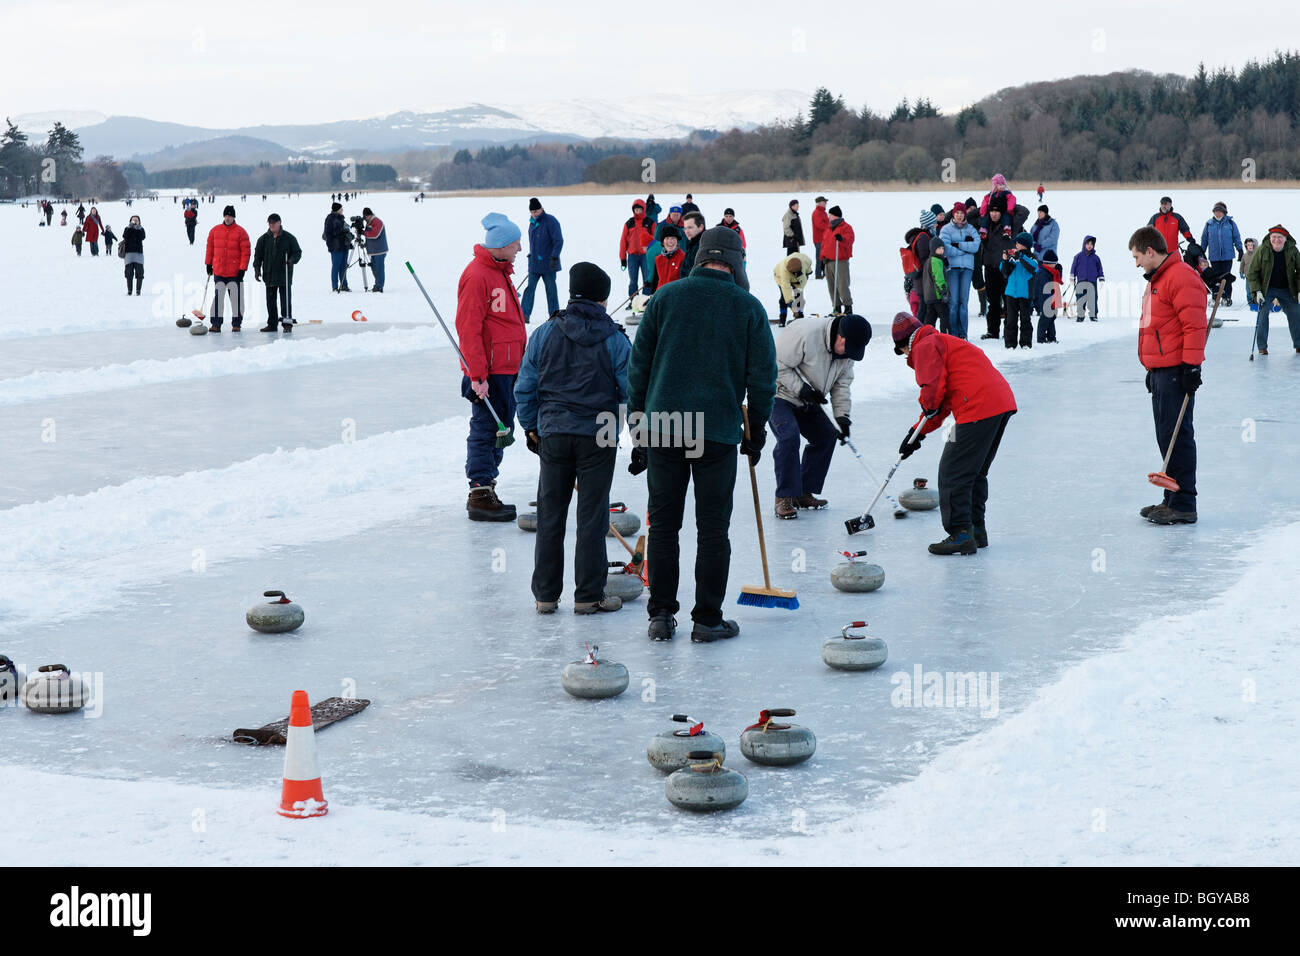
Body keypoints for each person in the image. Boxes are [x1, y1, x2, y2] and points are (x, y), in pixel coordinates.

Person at [627, 226, 776, 644]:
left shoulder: (665, 297)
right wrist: (757, 431)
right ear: (735, 263)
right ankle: (707, 620)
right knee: (713, 529)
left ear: (698, 257)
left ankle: (660, 617)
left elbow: (638, 368)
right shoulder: (749, 307)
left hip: (663, 428)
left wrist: (638, 427)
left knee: (664, 527)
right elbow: (763, 379)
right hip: (716, 433)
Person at [514, 263, 630, 615]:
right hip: (598, 436)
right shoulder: (615, 339)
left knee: (550, 514)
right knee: (592, 516)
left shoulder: (545, 332)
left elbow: (526, 384)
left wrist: (530, 425)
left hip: (553, 433)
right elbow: (631, 390)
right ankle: (588, 596)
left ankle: (545, 597)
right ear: (603, 298)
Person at [891, 313, 1017, 554]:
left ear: (905, 344)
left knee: (952, 472)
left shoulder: (925, 346)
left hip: (978, 406)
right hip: (999, 404)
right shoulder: (943, 342)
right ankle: (976, 529)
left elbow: (933, 393)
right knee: (975, 472)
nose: (906, 357)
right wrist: (916, 434)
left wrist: (926, 411)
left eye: (902, 352)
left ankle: (960, 532)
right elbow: (941, 404)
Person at [1128, 225, 1207, 524]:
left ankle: (1185, 502)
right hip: (1162, 370)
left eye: (1137, 256)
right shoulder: (1158, 279)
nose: (1136, 263)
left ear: (1150, 251)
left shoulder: (1181, 276)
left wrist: (1192, 366)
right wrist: (1152, 367)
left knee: (1179, 436)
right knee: (1166, 436)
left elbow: (1194, 326)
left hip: (1177, 371)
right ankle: (1171, 497)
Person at [456, 213, 526, 521]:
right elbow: (469, 329)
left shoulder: (500, 272)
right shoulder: (478, 275)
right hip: (489, 373)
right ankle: (479, 493)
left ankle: (488, 486)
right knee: (487, 429)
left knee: (502, 429)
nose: (520, 249)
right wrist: (477, 375)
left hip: (507, 368)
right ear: (500, 245)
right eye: (515, 244)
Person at [770, 313, 871, 519]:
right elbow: (775, 365)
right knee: (789, 437)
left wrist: (842, 417)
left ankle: (803, 492)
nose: (849, 355)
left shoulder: (847, 353)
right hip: (778, 394)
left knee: (826, 436)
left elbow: (842, 385)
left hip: (808, 399)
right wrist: (801, 389)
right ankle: (785, 497)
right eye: (849, 349)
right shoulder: (805, 334)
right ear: (840, 337)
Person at [1244, 224, 1300, 355]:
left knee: (1296, 314)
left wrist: (1299, 290)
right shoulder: (1262, 249)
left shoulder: (1292, 250)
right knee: (1262, 316)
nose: (1276, 240)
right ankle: (1262, 347)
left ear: (1285, 239)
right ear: (1270, 238)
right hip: (1266, 289)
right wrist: (1257, 291)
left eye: (1280, 237)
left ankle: (1299, 344)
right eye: (1274, 237)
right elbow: (1252, 273)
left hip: (1287, 289)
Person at [204, 205, 251, 332]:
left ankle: (236, 324)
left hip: (234, 272)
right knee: (218, 298)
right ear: (223, 216)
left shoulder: (241, 232)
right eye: (226, 215)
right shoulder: (215, 231)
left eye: (230, 215)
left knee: (236, 299)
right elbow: (210, 249)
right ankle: (216, 324)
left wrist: (242, 269)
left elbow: (245, 252)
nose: (228, 218)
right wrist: (208, 264)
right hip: (219, 270)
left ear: (234, 217)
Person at [253, 213, 302, 332]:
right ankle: (272, 324)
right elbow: (258, 256)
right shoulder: (263, 239)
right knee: (270, 302)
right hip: (269, 274)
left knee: (285, 301)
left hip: (284, 275)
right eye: (270, 223)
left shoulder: (289, 238)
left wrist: (291, 260)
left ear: (279, 223)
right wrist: (257, 269)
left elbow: (297, 252)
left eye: (274, 223)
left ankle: (287, 324)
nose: (272, 225)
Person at [939, 201, 980, 339]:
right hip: (952, 268)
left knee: (964, 301)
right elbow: (946, 248)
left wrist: (958, 245)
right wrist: (964, 250)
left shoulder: (971, 229)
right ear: (953, 214)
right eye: (957, 213)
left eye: (962, 213)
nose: (959, 216)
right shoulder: (946, 229)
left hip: (967, 269)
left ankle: (963, 333)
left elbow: (976, 246)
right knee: (954, 301)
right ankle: (954, 334)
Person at [522, 197, 562, 321]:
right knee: (530, 289)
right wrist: (531, 254)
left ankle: (554, 315)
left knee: (551, 290)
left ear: (541, 209)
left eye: (536, 211)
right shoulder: (532, 222)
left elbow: (558, 240)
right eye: (532, 212)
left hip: (549, 263)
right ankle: (524, 314)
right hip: (534, 263)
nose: (534, 214)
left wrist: (554, 256)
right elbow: (534, 242)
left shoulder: (551, 221)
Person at [1199, 202, 1243, 305]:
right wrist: (1202, 251)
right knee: (1215, 278)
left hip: (1227, 256)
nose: (1218, 214)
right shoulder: (1209, 224)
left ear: (1224, 213)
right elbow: (1204, 239)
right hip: (1214, 256)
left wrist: (1240, 249)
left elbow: (1236, 237)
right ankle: (1215, 297)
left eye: (1220, 212)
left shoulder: (1231, 223)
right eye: (1216, 212)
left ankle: (1227, 297)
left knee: (1226, 277)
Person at [979, 209, 1014, 339]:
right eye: (991, 211)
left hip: (1005, 267)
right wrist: (989, 201)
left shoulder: (1010, 224)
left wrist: (1005, 199)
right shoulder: (984, 225)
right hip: (989, 267)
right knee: (993, 302)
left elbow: (1024, 212)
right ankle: (992, 331)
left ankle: (1008, 331)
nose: (994, 214)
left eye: (997, 211)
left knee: (1008, 301)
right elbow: (971, 215)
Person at [1000, 231, 1038, 349]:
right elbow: (1005, 272)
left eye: (1018, 242)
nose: (1016, 244)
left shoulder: (1032, 257)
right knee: (1010, 319)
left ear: (1025, 244)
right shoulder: (1013, 256)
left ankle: (1025, 343)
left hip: (1025, 294)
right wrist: (1006, 260)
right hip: (1011, 293)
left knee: (1025, 319)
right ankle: (1010, 344)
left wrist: (1021, 256)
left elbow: (1033, 268)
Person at [619, 199, 656, 302]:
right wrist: (623, 258)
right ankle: (634, 301)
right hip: (632, 257)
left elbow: (655, 240)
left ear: (643, 209)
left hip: (646, 257)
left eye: (640, 209)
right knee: (633, 281)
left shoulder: (650, 223)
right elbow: (623, 241)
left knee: (647, 280)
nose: (638, 211)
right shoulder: (629, 223)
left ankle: (645, 301)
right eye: (636, 209)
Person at [820, 205, 854, 314]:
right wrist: (822, 258)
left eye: (830, 215)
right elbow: (824, 244)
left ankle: (848, 307)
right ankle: (836, 307)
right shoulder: (828, 228)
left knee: (842, 284)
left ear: (835, 216)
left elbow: (849, 240)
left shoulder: (845, 227)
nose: (828, 217)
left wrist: (842, 238)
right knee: (831, 286)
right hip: (828, 261)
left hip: (840, 261)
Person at [1069, 236, 1105, 321]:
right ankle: (1080, 315)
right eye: (1088, 244)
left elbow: (1100, 269)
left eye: (1091, 244)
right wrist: (1072, 278)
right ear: (1084, 244)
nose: (1089, 246)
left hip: (1092, 281)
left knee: (1093, 299)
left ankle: (1093, 315)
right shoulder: (1078, 256)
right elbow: (1073, 268)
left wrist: (1101, 279)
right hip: (1081, 281)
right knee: (1080, 298)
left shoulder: (1096, 258)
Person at [1031, 250, 1063, 343]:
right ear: (1049, 264)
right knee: (1045, 320)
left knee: (1051, 318)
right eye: (1054, 264)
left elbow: (1056, 282)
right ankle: (1041, 338)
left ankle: (1051, 337)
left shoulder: (1052, 272)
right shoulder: (1043, 273)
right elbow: (1042, 290)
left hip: (1051, 300)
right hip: (1045, 301)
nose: (1055, 265)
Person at [773, 251, 812, 326]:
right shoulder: (784, 272)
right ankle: (782, 318)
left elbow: (805, 276)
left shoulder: (805, 261)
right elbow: (786, 290)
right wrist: (792, 306)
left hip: (798, 278)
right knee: (784, 298)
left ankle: (800, 315)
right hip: (779, 276)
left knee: (799, 296)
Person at [322, 201, 352, 292]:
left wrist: (348, 236)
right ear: (337, 210)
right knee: (336, 266)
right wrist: (330, 246)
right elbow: (328, 233)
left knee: (343, 266)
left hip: (344, 246)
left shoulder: (341, 218)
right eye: (341, 209)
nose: (342, 210)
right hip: (336, 247)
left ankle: (344, 284)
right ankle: (335, 286)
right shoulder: (330, 219)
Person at [646, 225, 685, 293]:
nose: (670, 241)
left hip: (675, 295)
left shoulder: (683, 258)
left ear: (677, 241)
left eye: (673, 238)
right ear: (663, 242)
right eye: (667, 238)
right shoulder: (658, 259)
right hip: (660, 296)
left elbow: (685, 282)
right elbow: (655, 281)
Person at [361, 207, 387, 293]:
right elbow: (370, 236)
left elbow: (375, 235)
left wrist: (363, 233)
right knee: (375, 269)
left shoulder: (377, 222)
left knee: (379, 270)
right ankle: (377, 285)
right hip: (374, 251)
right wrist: (365, 244)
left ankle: (379, 286)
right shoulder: (369, 222)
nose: (364, 219)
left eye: (365, 217)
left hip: (379, 251)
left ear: (368, 215)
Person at [122, 215, 145, 295]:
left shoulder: (141, 229)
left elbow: (142, 237)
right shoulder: (127, 229)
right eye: (133, 220)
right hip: (128, 254)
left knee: (140, 273)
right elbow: (125, 236)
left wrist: (138, 228)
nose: (135, 221)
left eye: (136, 220)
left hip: (138, 253)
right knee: (129, 273)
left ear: (139, 221)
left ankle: (138, 290)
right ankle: (129, 290)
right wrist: (129, 227)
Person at [811, 196, 830, 280]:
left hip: (824, 238)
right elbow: (820, 225)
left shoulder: (823, 212)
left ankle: (824, 272)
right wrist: (830, 226)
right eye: (824, 202)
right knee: (819, 257)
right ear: (820, 203)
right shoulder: (817, 213)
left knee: (824, 257)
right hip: (819, 239)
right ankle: (818, 274)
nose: (826, 203)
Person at [1240, 237, 1258, 310]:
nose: (1250, 246)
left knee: (1255, 289)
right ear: (1246, 246)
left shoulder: (1257, 254)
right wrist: (1241, 272)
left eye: (1251, 245)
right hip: (1248, 276)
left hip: (1256, 276)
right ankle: (1250, 301)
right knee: (1248, 289)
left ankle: (1256, 301)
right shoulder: (1244, 256)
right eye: (1248, 245)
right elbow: (1242, 265)